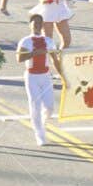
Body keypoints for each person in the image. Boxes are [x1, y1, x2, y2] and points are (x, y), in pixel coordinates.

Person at [16, 13, 64, 146]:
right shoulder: (25, 41)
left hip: (45, 76)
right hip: (32, 77)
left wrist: (62, 76)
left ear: (42, 25)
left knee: (49, 106)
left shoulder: (49, 41)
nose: (37, 25)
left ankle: (42, 123)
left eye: (39, 23)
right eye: (34, 22)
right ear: (30, 25)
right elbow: (19, 59)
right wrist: (33, 54)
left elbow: (55, 60)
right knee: (35, 105)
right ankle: (39, 134)